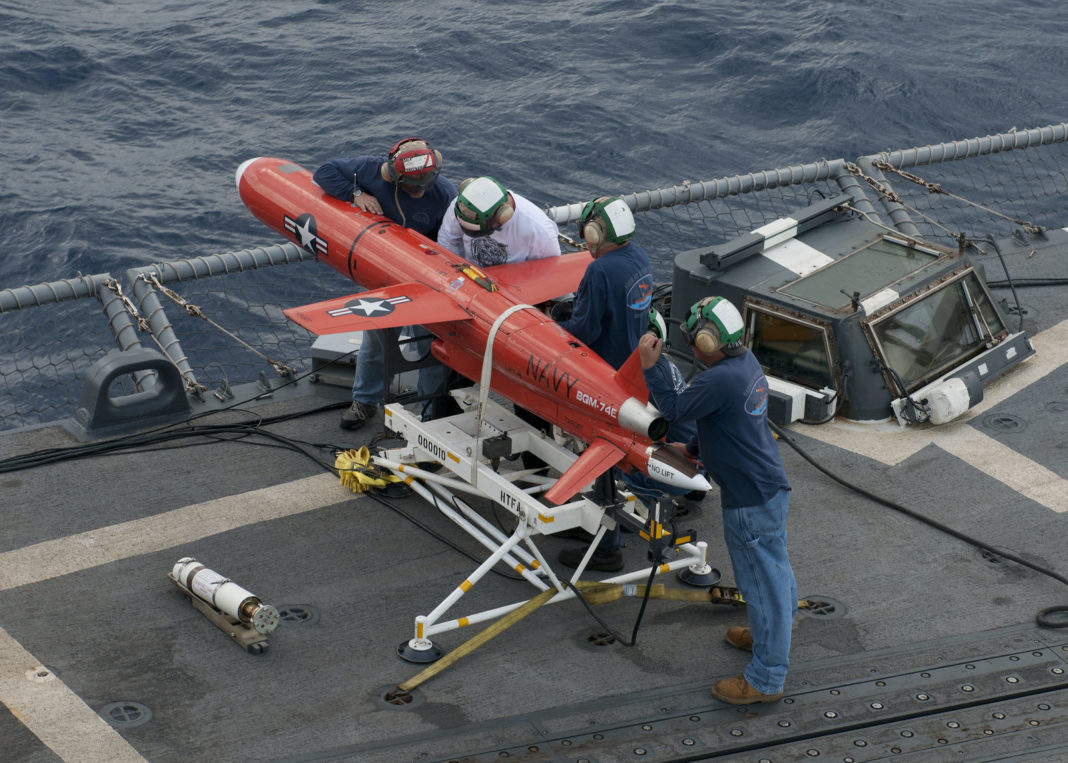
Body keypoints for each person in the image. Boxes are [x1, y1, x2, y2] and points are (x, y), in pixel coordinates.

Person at [638, 295, 796, 706]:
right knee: (775, 573)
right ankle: (770, 636)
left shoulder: (717, 379)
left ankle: (766, 678)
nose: (690, 345)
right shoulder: (745, 366)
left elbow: (673, 408)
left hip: (747, 500)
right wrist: (694, 450)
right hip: (768, 487)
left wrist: (650, 365)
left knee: (762, 587)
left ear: (707, 344)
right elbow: (727, 421)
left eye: (692, 339)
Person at [312, 137, 458, 429]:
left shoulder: (444, 193)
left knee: (431, 347)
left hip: (426, 281)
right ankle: (365, 401)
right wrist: (354, 193)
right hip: (384, 274)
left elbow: (450, 243)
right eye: (413, 186)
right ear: (395, 176)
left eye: (423, 186)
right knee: (376, 339)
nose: (419, 192)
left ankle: (430, 415)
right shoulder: (369, 169)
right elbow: (324, 172)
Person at [554, 196, 655, 572]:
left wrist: (553, 328)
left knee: (603, 457)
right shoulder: (639, 258)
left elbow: (586, 329)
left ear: (595, 231)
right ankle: (595, 526)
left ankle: (606, 547)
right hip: (633, 371)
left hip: (603, 376)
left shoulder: (599, 272)